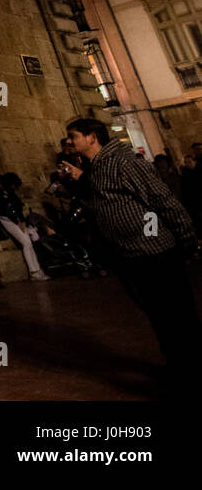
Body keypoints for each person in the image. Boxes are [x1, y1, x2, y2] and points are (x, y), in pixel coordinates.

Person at [61, 118, 201, 390]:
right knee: (159, 314)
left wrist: (187, 237)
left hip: (155, 252)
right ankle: (178, 366)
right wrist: (78, 182)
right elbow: (99, 198)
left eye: (73, 135)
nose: (69, 141)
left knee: (177, 315)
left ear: (92, 137)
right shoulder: (97, 165)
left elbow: (161, 197)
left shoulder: (123, 162)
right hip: (129, 254)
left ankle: (192, 369)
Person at [0, 173, 49, 281]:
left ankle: (37, 270)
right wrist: (17, 221)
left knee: (28, 243)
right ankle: (34, 271)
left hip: (16, 220)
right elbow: (5, 209)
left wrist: (21, 221)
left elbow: (17, 206)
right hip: (6, 219)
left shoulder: (10, 192)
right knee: (26, 243)